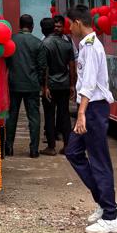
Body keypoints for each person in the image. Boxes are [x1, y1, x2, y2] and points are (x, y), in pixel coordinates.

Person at [64, 4, 117, 233]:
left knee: (99, 160)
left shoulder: (91, 47)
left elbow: (88, 84)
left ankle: (111, 216)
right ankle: (105, 201)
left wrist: (81, 114)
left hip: (93, 109)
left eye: (70, 24)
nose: (69, 28)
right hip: (90, 108)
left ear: (78, 23)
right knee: (73, 152)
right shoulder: (87, 45)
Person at [4, 14, 46, 158]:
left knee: (11, 117)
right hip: (32, 85)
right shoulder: (38, 43)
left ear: (19, 25)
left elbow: (6, 63)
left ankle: (9, 147)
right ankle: (34, 150)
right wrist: (39, 83)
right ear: (32, 26)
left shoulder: (11, 41)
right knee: (34, 118)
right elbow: (42, 67)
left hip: (14, 84)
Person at [40, 16, 74, 154]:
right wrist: (72, 85)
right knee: (64, 115)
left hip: (51, 85)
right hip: (64, 84)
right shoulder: (67, 44)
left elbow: (45, 67)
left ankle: (51, 146)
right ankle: (67, 145)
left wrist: (45, 86)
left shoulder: (45, 44)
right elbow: (72, 66)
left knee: (49, 115)